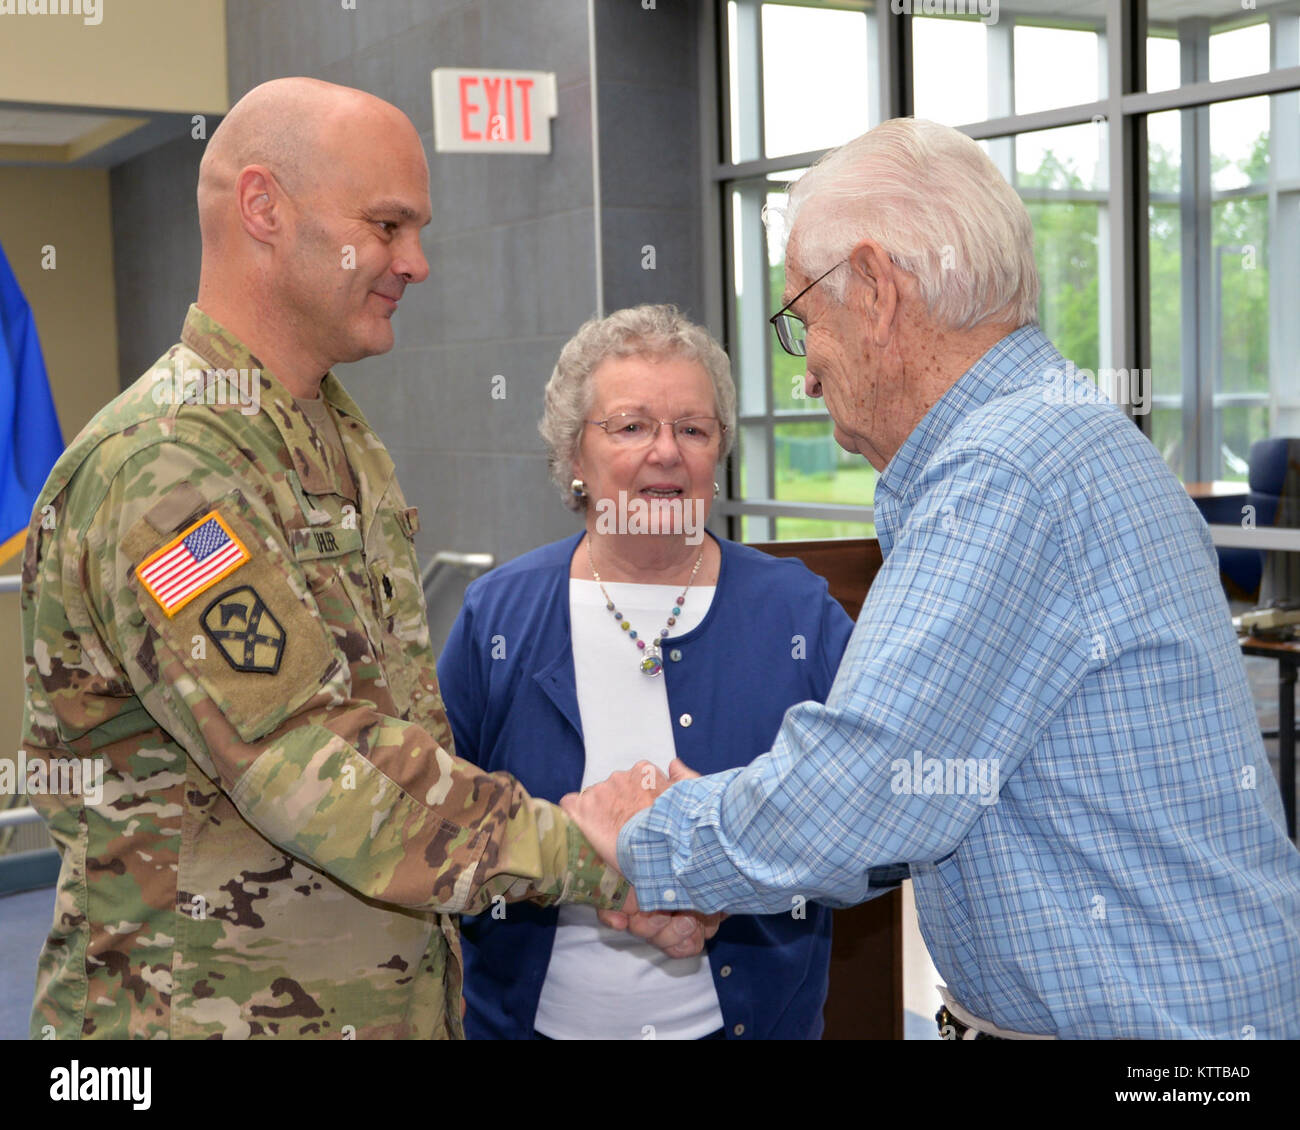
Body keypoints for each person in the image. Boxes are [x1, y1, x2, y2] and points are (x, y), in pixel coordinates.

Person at [562, 118, 1300, 1040]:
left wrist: (643, 841)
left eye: (801, 320)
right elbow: (914, 792)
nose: (806, 378)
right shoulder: (1050, 437)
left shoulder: (1004, 472)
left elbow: (867, 792)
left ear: (873, 289)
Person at [17, 78, 703, 1041]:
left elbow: (396, 733)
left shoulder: (332, 436)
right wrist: (592, 849)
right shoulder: (167, 467)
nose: (416, 263)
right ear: (264, 208)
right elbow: (312, 762)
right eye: (387, 226)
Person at [437, 305, 876, 1039]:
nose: (667, 451)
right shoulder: (499, 615)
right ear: (574, 458)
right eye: (632, 426)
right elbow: (439, 815)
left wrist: (733, 873)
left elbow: (873, 814)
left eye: (694, 429)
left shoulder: (796, 610)